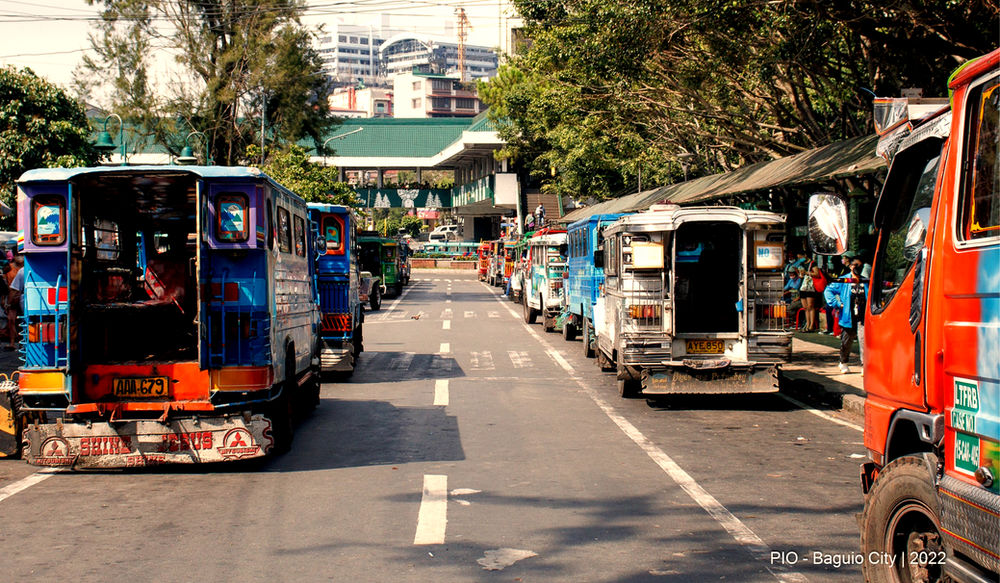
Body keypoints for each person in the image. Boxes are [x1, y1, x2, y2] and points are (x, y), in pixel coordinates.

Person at [824, 260, 867, 373]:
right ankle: (843, 361)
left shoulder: (865, 280)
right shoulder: (843, 280)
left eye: (860, 265)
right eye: (855, 265)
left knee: (863, 341)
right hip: (848, 315)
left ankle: (864, 365)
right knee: (847, 341)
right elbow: (828, 290)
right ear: (850, 266)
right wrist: (837, 303)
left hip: (862, 316)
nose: (858, 267)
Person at [7, 256, 24, 350]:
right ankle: (14, 342)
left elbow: (14, 289)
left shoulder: (22, 271)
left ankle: (21, 342)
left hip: (21, 299)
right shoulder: (11, 268)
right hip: (18, 299)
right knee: (12, 321)